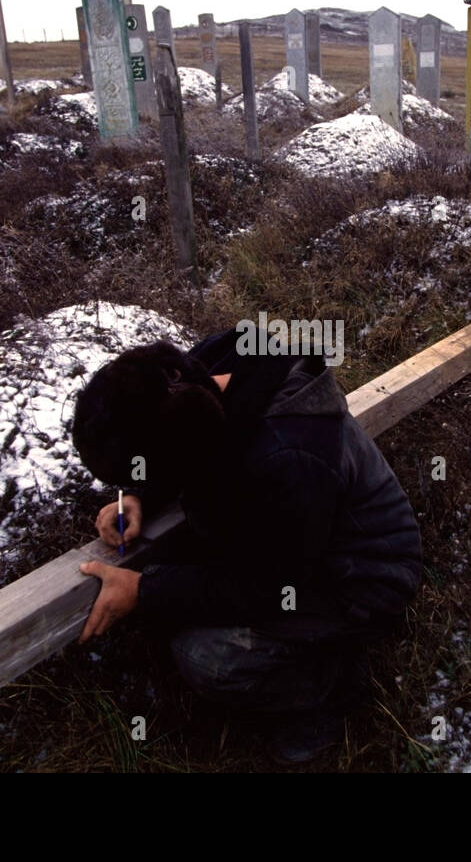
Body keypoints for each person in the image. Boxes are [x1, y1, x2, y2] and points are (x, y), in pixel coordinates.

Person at [71, 327, 422, 763]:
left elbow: (271, 587)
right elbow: (167, 432)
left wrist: (144, 590)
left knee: (206, 657)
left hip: (362, 575)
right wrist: (137, 493)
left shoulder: (286, 457)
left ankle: (333, 685)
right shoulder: (191, 375)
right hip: (297, 540)